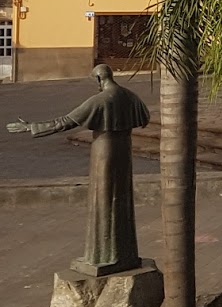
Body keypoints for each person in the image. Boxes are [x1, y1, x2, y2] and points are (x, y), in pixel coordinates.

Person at [8, 65, 151, 274]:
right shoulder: (130, 96)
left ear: (99, 80)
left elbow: (64, 122)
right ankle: (124, 253)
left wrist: (31, 126)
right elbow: (144, 117)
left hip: (104, 151)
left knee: (103, 199)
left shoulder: (99, 100)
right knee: (120, 197)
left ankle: (104, 255)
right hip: (123, 150)